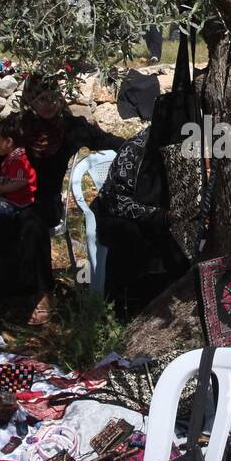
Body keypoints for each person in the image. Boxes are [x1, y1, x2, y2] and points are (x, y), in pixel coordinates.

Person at [0, 75, 125, 330]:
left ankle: (42, 294)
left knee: (32, 221)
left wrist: (139, 147)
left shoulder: (70, 128)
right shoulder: (16, 127)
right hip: (8, 198)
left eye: (53, 97)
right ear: (31, 99)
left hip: (46, 201)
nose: (49, 104)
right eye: (42, 98)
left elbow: (106, 141)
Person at [92, 123, 189, 317]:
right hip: (114, 215)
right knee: (132, 234)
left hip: (153, 213)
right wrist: (158, 216)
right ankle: (124, 306)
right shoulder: (135, 150)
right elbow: (117, 201)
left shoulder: (179, 151)